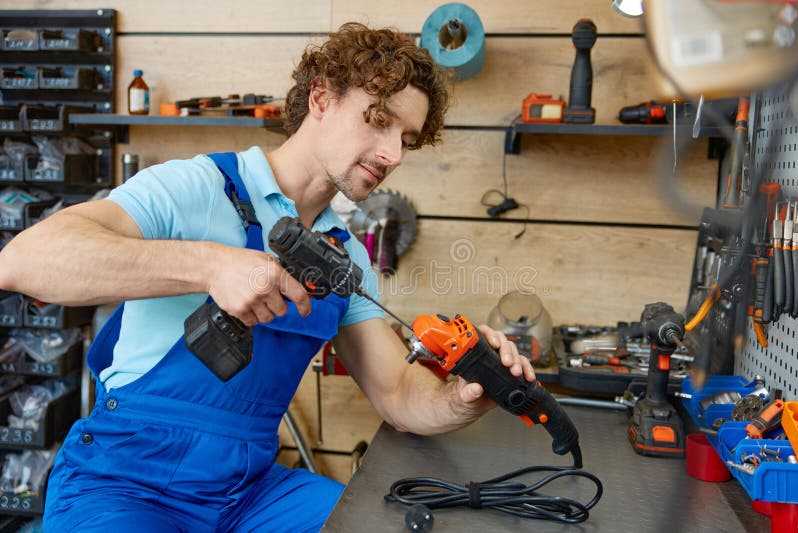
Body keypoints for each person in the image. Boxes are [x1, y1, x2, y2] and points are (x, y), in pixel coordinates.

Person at [0, 23, 535, 532]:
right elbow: (24, 260)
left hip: (248, 493)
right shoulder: (197, 186)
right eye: (379, 119)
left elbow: (398, 393)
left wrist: (462, 397)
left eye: (407, 139)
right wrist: (211, 265)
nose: (393, 154)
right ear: (320, 97)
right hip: (123, 483)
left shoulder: (346, 256)